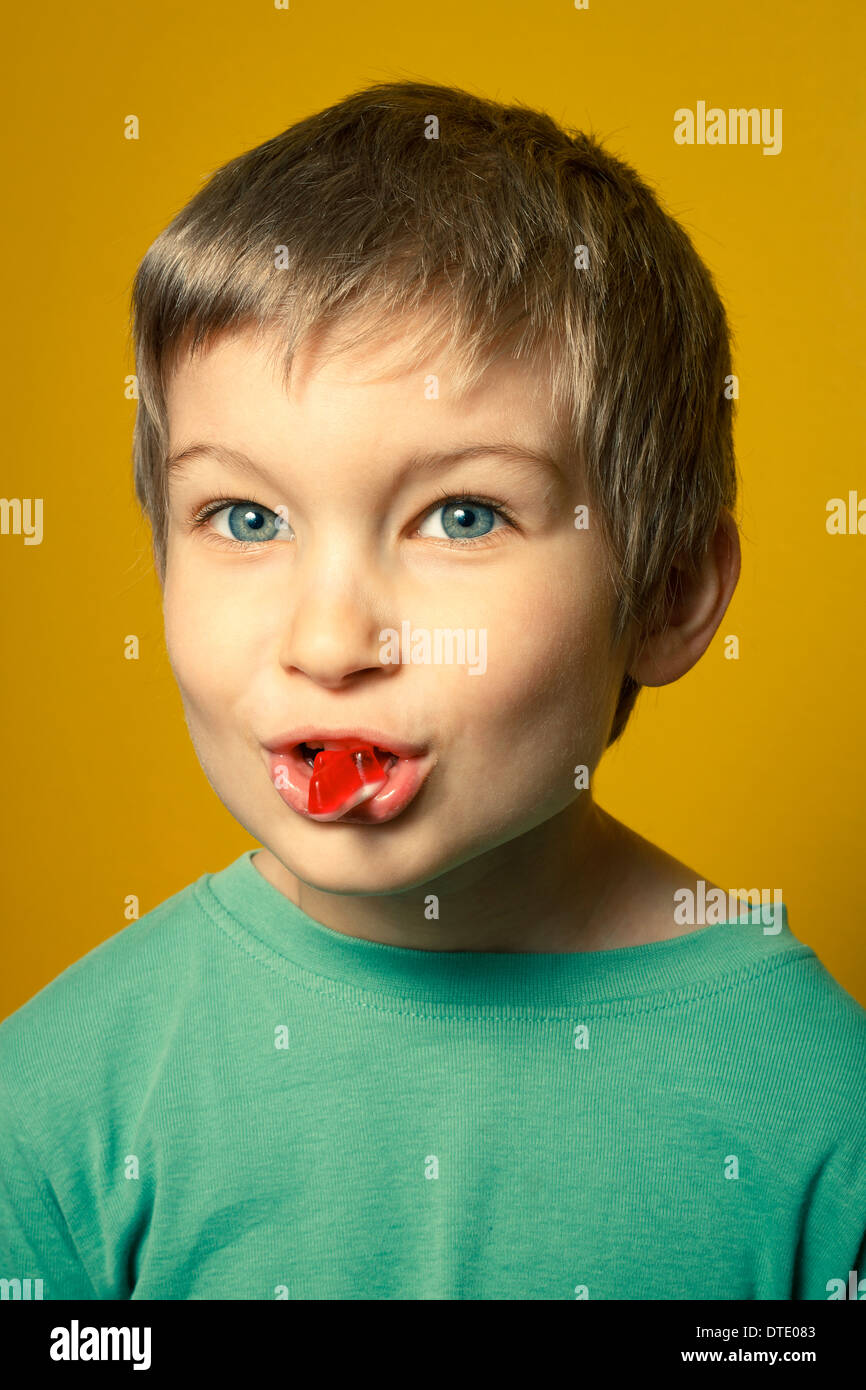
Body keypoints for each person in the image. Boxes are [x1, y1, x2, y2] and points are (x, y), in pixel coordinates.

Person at [1, 80, 863, 1301]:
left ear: (667, 594)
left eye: (462, 515)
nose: (328, 636)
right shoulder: (49, 1115)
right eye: (244, 517)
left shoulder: (821, 1122)